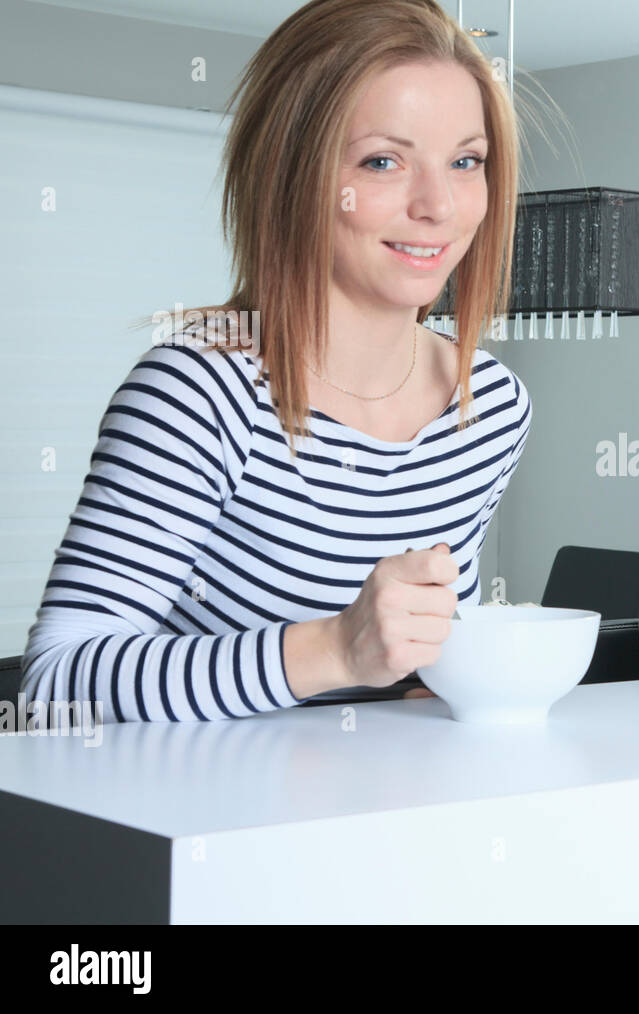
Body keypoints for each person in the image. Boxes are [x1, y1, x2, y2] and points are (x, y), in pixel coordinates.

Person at [21, 0, 531, 722]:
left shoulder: (491, 406)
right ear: (294, 174)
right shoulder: (199, 394)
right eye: (383, 161)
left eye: (466, 162)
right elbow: (56, 689)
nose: (439, 205)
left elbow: (423, 664)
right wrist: (333, 650)